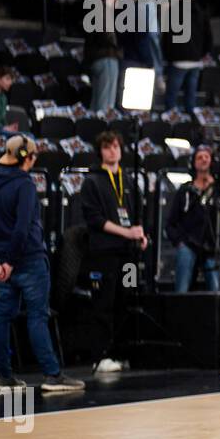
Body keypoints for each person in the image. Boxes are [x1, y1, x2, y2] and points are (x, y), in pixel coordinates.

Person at [0, 134, 85, 393]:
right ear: (28, 158)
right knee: (38, 316)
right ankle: (52, 375)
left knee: (2, 316)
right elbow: (22, 228)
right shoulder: (25, 185)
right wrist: (12, 262)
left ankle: (3, 376)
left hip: (2, 264)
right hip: (27, 261)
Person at [79, 131, 149, 374]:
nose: (113, 151)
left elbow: (136, 213)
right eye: (107, 147)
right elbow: (95, 220)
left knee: (125, 300)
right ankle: (101, 355)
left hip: (127, 254)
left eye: (116, 146)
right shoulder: (92, 181)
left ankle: (121, 351)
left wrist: (139, 235)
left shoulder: (128, 180)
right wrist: (125, 232)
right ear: (100, 151)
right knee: (103, 303)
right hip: (104, 252)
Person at [165, 146, 220, 293]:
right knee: (181, 289)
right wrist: (179, 242)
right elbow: (170, 222)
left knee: (217, 291)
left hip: (212, 247)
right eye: (199, 157)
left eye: (206, 157)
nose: (203, 159)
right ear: (193, 163)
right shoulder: (185, 190)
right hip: (188, 244)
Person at [162, 0, 209, 113]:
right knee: (190, 101)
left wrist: (167, 56)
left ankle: (170, 128)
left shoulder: (173, 12)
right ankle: (190, 129)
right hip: (195, 61)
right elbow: (208, 37)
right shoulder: (201, 12)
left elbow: (167, 37)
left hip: (178, 61)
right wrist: (202, 54)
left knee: (171, 100)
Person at [85, 0, 123, 113]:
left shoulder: (95, 9)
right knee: (105, 106)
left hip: (97, 59)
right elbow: (107, 36)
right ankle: (101, 132)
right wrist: (118, 48)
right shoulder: (104, 10)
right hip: (106, 59)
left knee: (97, 104)